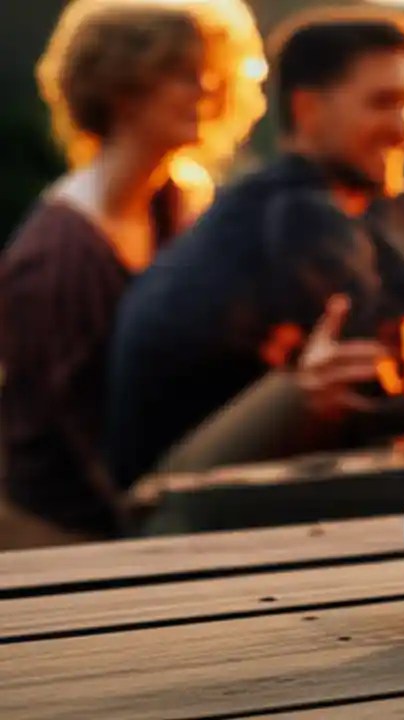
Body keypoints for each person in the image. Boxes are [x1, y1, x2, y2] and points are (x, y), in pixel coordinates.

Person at [107, 9, 404, 490]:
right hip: (177, 499)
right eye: (382, 103)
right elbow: (381, 390)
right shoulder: (289, 216)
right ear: (307, 110)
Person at [0, 0, 265, 542]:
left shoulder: (180, 202)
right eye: (185, 76)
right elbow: (74, 445)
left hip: (160, 479)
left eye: (213, 75)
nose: (208, 92)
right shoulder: (58, 254)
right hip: (74, 528)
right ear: (123, 88)